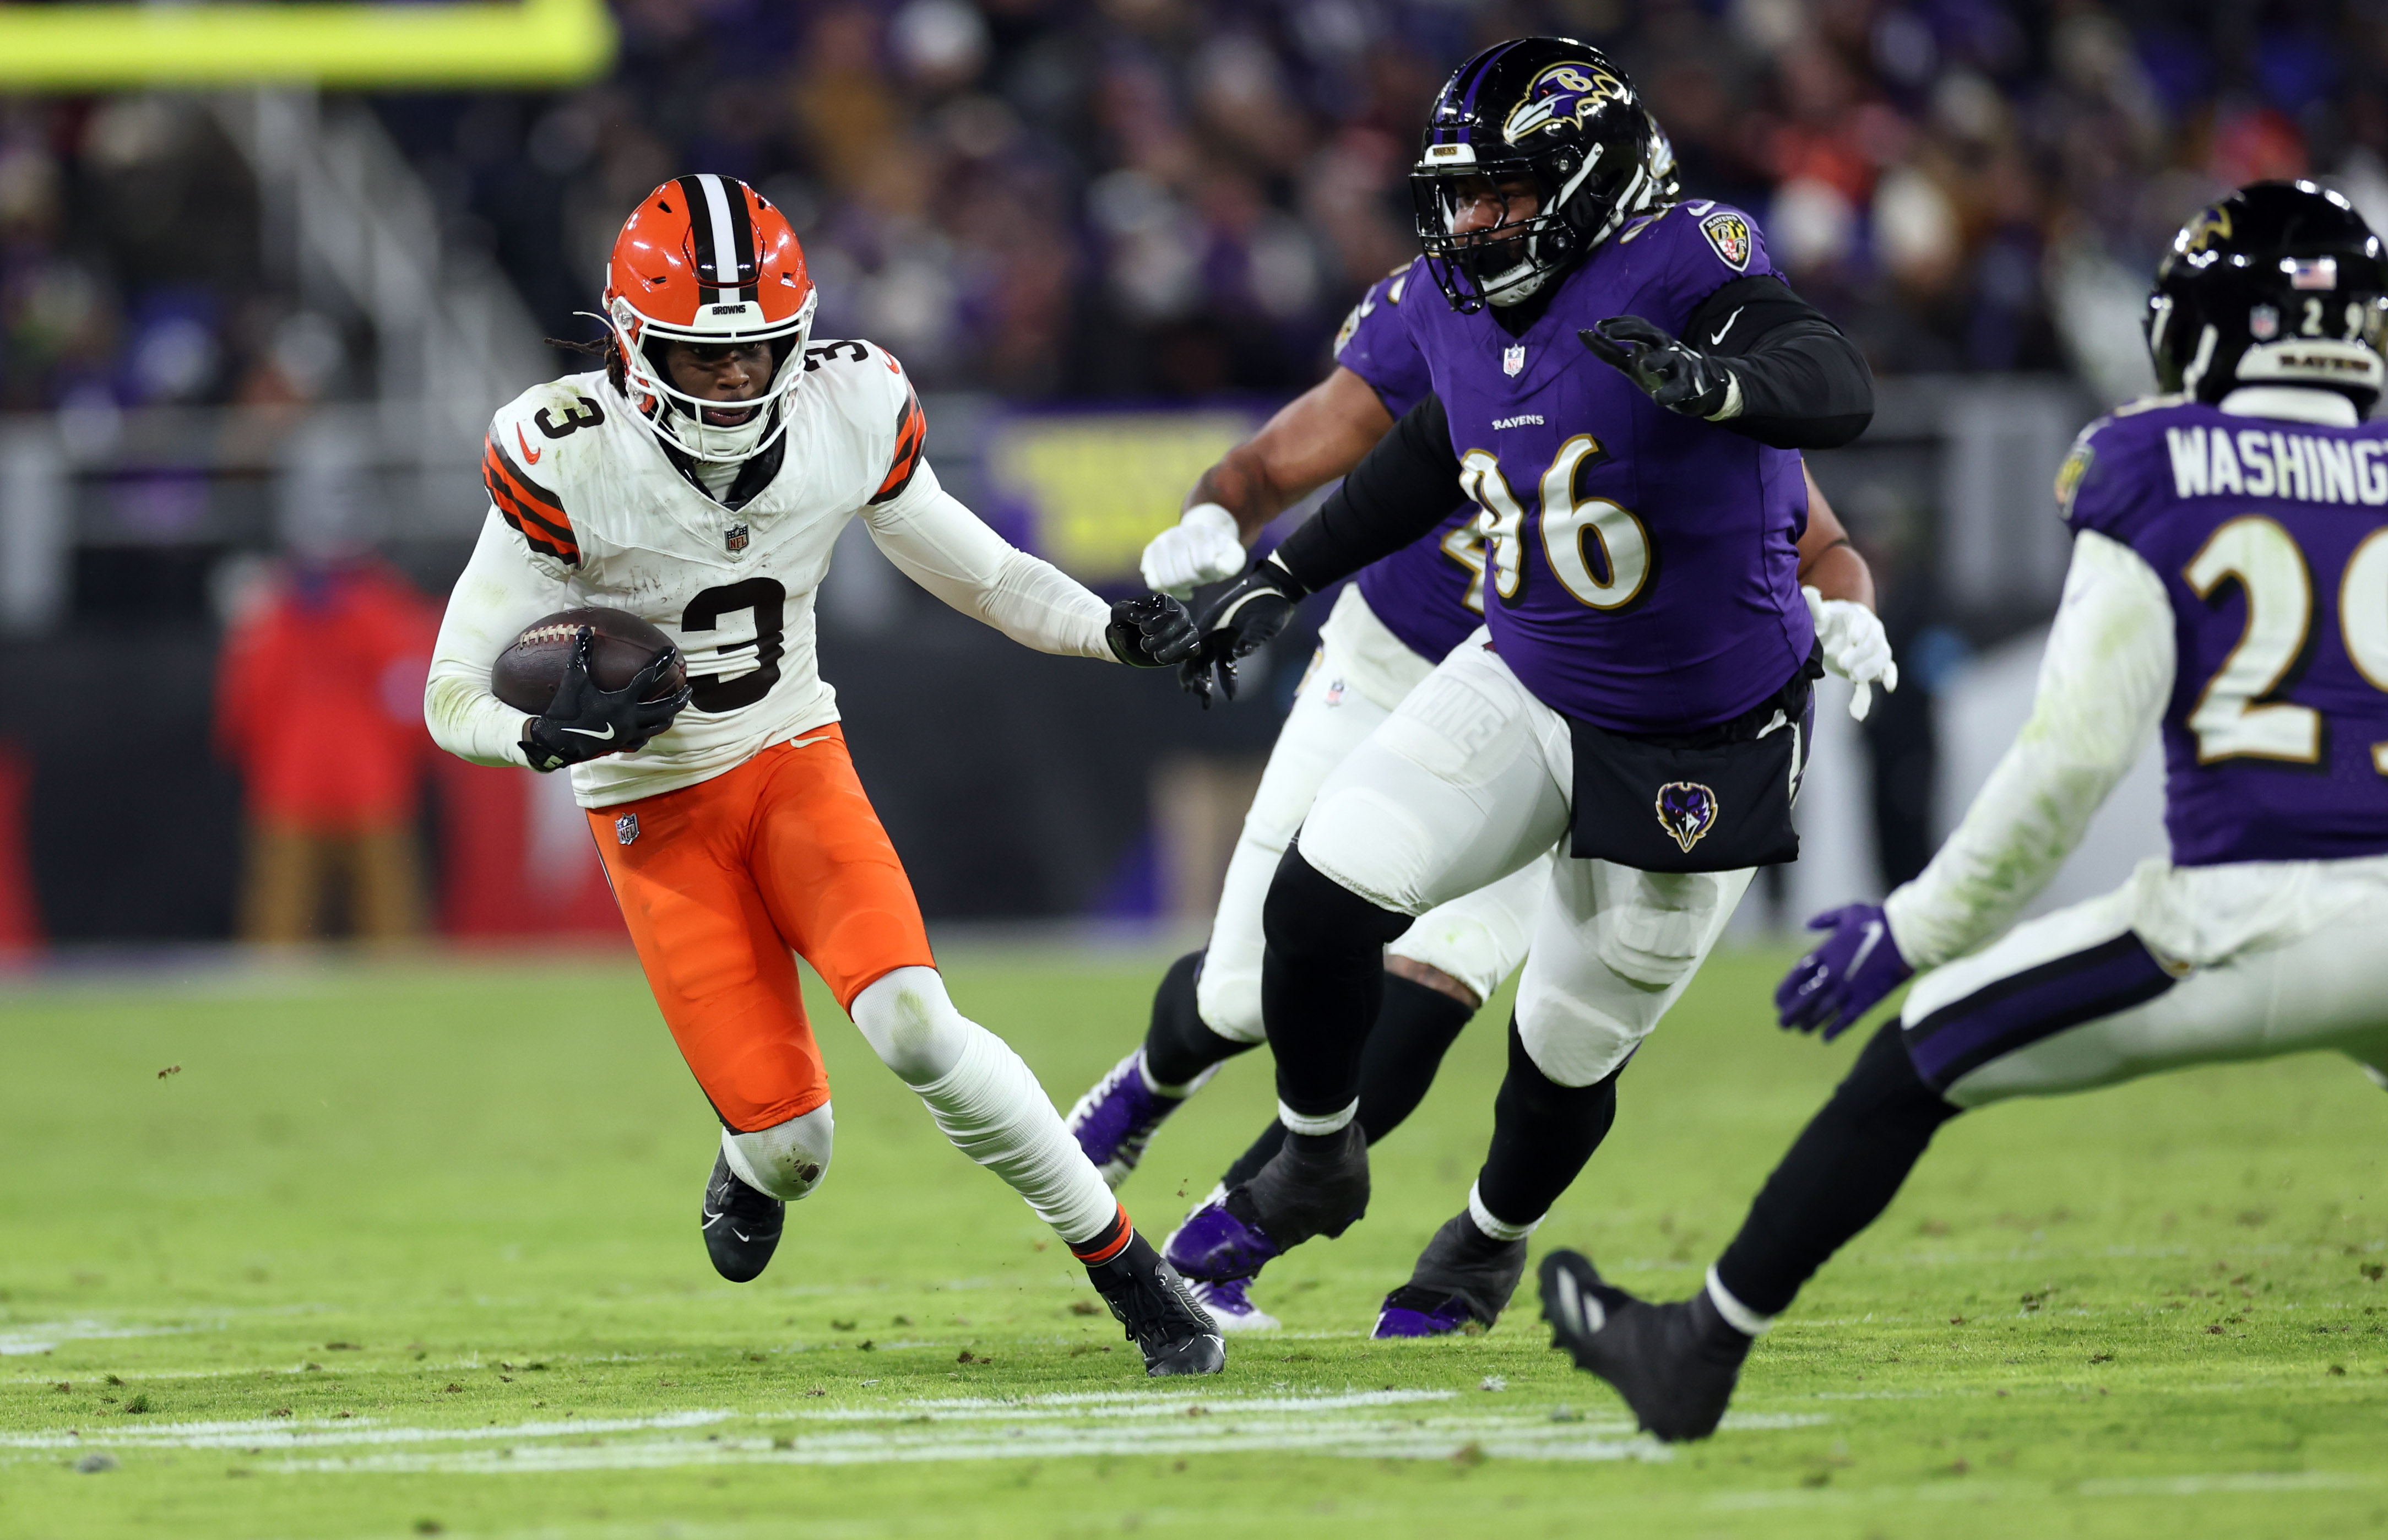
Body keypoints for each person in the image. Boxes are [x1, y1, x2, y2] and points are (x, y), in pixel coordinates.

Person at [1539, 180, 2388, 1440]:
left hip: (2236, 916)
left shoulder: (2151, 463)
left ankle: (1695, 1348)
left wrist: (1912, 928)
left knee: (1916, 1049)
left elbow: (2065, 764)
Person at [1066, 117, 1888, 1337]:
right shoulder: (1449, 306)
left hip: (1697, 727)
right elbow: (1410, 458)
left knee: (1561, 1036)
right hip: (1512, 663)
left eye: (1499, 197)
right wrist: (1272, 573)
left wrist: (1744, 425)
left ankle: (1479, 1243)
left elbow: (1822, 393)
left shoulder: (1678, 270)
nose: (1469, 227)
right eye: (1458, 199)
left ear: (1584, 190)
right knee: (1310, 911)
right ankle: (1287, 1164)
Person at [423, 173, 1223, 1377]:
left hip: (793, 757)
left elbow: (988, 575)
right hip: (651, 809)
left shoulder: (851, 403)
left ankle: (1128, 1270)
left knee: (911, 1023)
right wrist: (531, 739)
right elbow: (451, 690)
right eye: (706, 358)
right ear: (635, 349)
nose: (739, 380)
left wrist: (1109, 629)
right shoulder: (564, 453)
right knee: (798, 1147)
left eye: (758, 354)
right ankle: (751, 1166)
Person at [216, 552, 439, 943]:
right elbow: (417, 702)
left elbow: (242, 714)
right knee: (391, 927)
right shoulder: (386, 611)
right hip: (371, 783)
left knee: (281, 928)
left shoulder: (267, 619)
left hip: (293, 785)